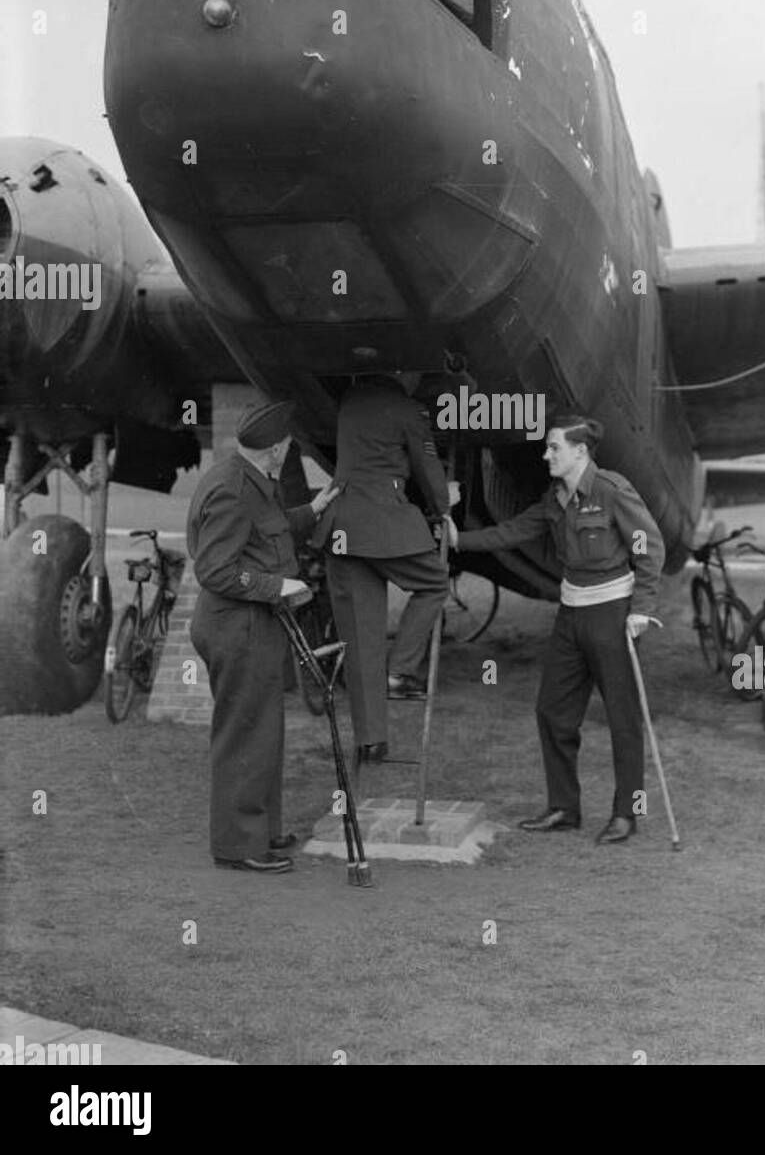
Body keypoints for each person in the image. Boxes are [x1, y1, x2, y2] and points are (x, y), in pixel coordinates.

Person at [445, 416, 664, 844]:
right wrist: (459, 542)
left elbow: (648, 546)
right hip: (570, 615)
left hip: (612, 614)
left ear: (579, 451)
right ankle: (564, 808)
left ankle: (626, 813)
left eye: (554, 448)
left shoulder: (612, 490)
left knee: (622, 718)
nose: (546, 455)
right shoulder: (555, 498)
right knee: (552, 711)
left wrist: (642, 608)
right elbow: (513, 531)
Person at [187, 399, 337, 874]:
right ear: (275, 451)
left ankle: (264, 829)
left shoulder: (250, 476)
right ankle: (239, 846)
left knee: (264, 731)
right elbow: (215, 569)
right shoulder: (231, 489)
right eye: (287, 447)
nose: (288, 451)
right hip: (237, 626)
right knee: (244, 733)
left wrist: (311, 510)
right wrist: (280, 585)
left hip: (255, 625)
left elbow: (265, 531)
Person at [316, 373, 450, 765]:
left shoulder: (349, 404)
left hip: (341, 526)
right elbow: (426, 467)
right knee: (433, 584)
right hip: (382, 523)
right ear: (403, 376)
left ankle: (371, 740)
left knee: (359, 635)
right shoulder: (409, 410)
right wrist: (444, 508)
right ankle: (401, 671)